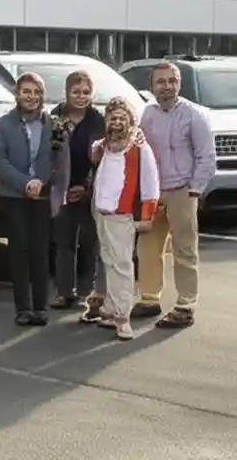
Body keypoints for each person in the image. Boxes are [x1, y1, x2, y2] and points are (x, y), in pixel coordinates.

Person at [134, 62, 215, 329]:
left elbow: (206, 156)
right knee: (148, 248)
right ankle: (149, 298)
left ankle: (185, 305)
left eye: (173, 81)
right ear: (151, 86)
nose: (167, 86)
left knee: (184, 249)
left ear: (179, 84)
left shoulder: (194, 115)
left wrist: (195, 189)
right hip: (154, 193)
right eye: (161, 81)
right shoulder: (147, 115)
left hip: (182, 190)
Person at [89, 97, 160, 341]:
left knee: (122, 266)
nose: (117, 122)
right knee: (109, 260)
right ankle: (110, 309)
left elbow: (151, 185)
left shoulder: (139, 149)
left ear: (130, 121)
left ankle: (122, 316)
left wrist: (147, 216)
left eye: (122, 118)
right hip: (101, 212)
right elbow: (94, 154)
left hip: (123, 215)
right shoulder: (105, 146)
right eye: (112, 118)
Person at [0, 72, 55, 326]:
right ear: (17, 94)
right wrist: (24, 183)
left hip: (42, 195)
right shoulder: (4, 124)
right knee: (19, 250)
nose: (32, 97)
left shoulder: (51, 124)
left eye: (37, 92)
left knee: (40, 251)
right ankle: (23, 307)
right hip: (14, 195)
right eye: (26, 92)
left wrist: (41, 181)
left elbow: (56, 158)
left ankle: (40, 306)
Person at [48, 71, 105, 313]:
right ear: (66, 92)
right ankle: (63, 291)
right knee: (63, 242)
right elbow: (49, 153)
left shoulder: (99, 120)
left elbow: (104, 159)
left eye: (86, 92)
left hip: (90, 188)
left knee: (89, 241)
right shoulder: (54, 117)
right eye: (76, 92)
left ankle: (85, 292)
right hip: (61, 187)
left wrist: (86, 186)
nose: (81, 97)